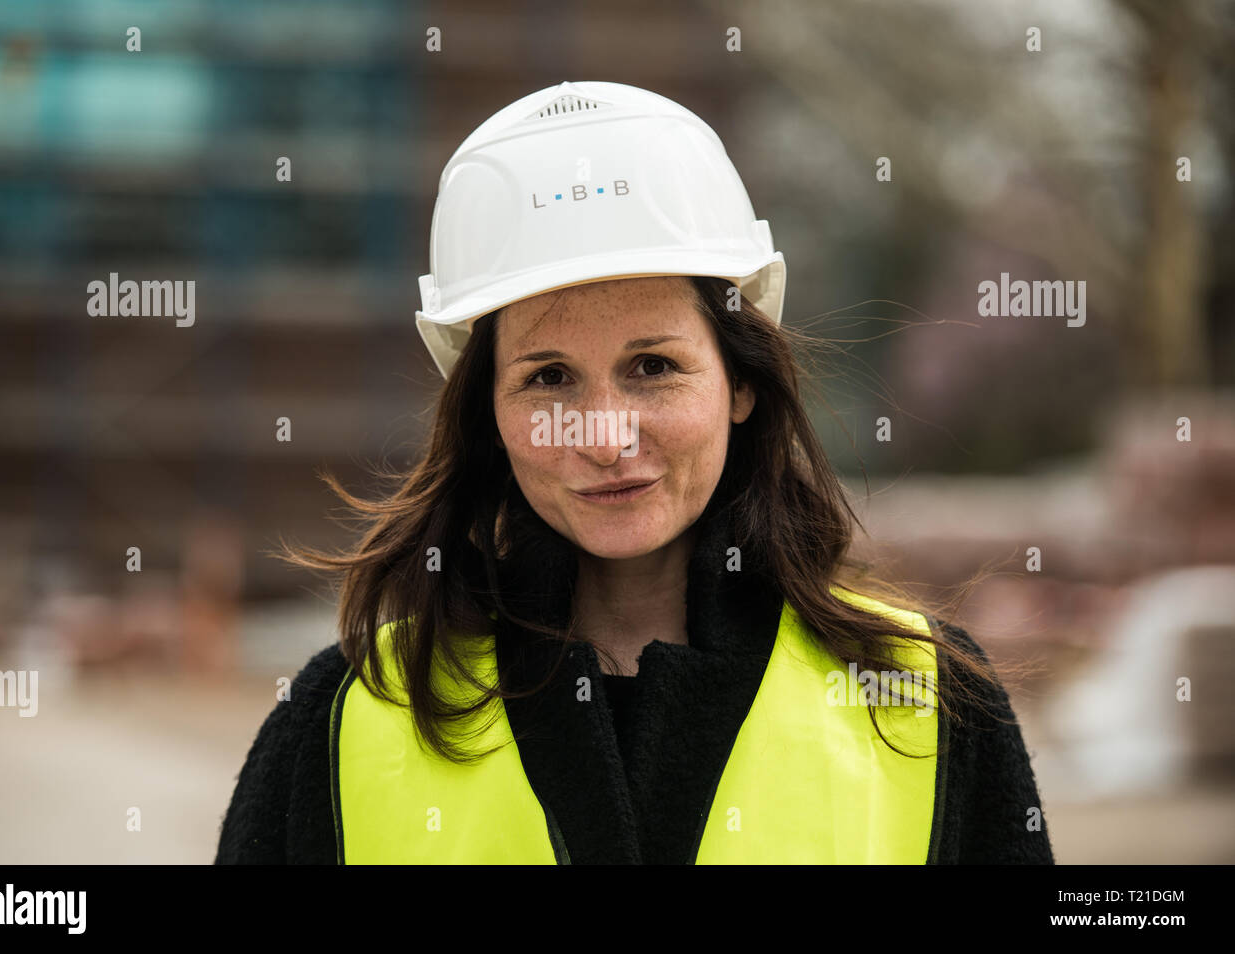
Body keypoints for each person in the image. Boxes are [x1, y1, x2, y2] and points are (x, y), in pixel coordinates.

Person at [215, 80, 1054, 865]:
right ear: (489, 416)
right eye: (548, 378)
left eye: (652, 366)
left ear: (742, 383)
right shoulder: (340, 721)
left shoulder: (927, 703)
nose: (607, 436)